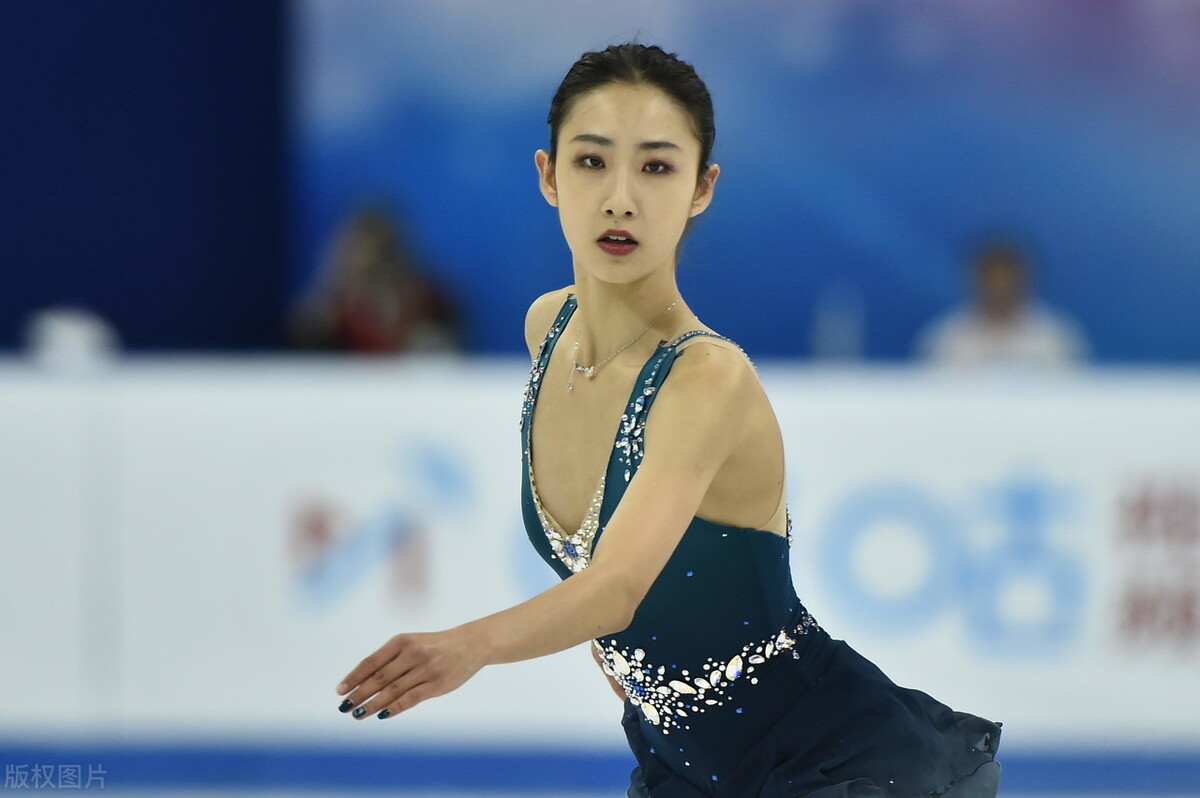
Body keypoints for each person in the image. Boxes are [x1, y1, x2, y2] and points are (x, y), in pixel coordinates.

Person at [333, 44, 1002, 797]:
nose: (621, 198)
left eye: (655, 167)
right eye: (592, 163)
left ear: (701, 187)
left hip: (831, 762)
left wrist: (470, 646)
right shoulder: (545, 330)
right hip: (682, 767)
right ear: (549, 176)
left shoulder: (705, 377)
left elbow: (617, 587)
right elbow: (619, 583)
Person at [914, 239, 1089, 370]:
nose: (1000, 290)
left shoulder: (1055, 336)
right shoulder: (948, 337)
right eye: (992, 283)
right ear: (976, 282)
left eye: (1007, 283)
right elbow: (931, 397)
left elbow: (1076, 396)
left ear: (1024, 282)